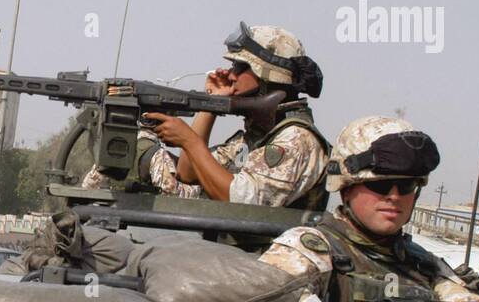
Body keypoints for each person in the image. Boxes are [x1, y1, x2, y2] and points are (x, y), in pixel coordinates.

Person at [259, 115, 479, 302]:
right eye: (382, 185)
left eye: (406, 186)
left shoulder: (422, 264)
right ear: (345, 188)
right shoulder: (310, 248)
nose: (394, 197)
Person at [82, 22, 329, 209]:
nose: (231, 75)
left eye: (240, 67)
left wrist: (189, 141)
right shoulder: (254, 138)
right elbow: (189, 175)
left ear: (269, 76)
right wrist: (211, 105)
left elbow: (241, 202)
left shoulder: (296, 139)